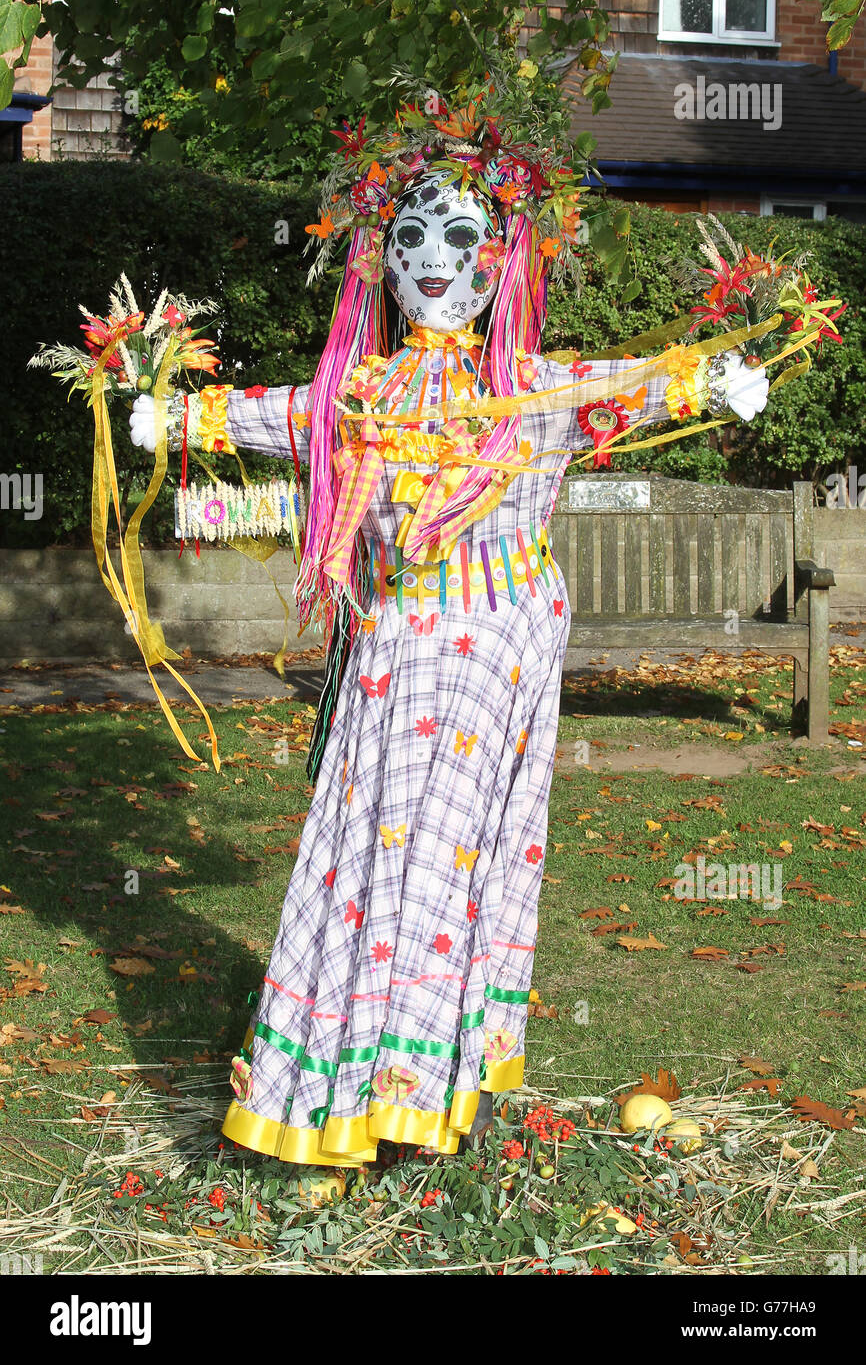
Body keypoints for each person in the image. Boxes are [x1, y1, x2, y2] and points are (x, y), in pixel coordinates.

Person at [128, 104, 775, 1169]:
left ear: (497, 268)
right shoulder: (363, 389)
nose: (433, 261)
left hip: (499, 656)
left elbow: (628, 390)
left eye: (460, 240)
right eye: (411, 238)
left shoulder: (528, 388)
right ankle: (359, 1086)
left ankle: (427, 1084)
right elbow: (278, 414)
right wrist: (179, 414)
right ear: (380, 261)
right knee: (372, 855)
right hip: (397, 658)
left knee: (449, 860)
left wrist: (708, 380)